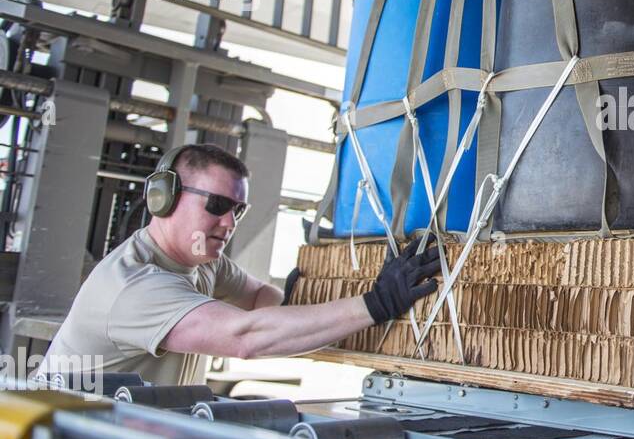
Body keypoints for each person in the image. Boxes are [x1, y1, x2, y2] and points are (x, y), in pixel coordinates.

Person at [36, 143, 439, 387]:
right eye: (217, 206)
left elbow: (261, 299)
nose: (229, 223)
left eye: (238, 211)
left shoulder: (204, 263)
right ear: (164, 199)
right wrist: (377, 303)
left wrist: (299, 306)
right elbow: (244, 336)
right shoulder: (133, 286)